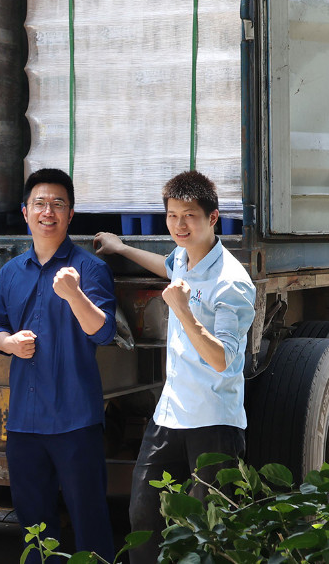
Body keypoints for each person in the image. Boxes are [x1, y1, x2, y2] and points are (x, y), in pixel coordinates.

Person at [93, 170, 257, 564]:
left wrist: (183, 312)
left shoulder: (232, 282)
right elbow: (167, 266)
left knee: (213, 530)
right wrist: (122, 248)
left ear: (213, 218)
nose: (180, 225)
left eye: (190, 216)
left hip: (214, 422)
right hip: (170, 415)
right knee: (143, 516)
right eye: (172, 215)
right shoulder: (184, 257)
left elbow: (225, 361)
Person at [0, 168, 118, 563]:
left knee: (89, 521)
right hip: (25, 424)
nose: (49, 212)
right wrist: (8, 343)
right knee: (34, 528)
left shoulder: (90, 269)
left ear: (71, 214)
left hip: (75, 419)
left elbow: (104, 332)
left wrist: (74, 295)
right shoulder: (10, 272)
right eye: (40, 204)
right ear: (25, 212)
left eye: (58, 204)